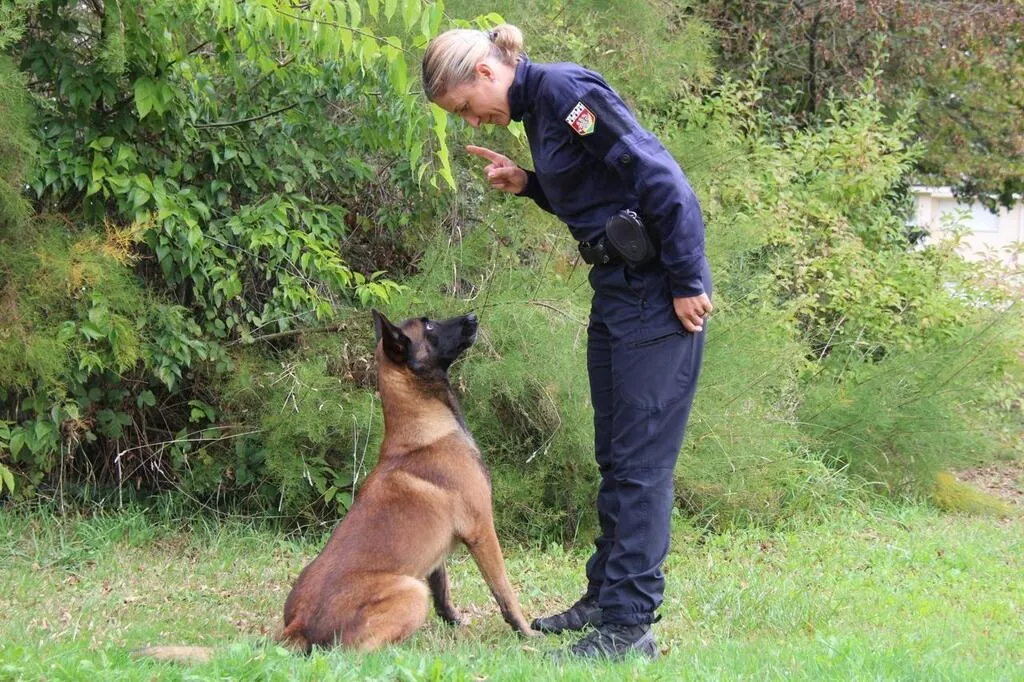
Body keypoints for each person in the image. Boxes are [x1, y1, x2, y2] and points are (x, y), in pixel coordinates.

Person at [421, 24, 713, 661]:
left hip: (657, 293)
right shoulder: (536, 111)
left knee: (641, 464)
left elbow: (662, 180)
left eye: (469, 106)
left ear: (486, 73)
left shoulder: (562, 92)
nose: (477, 120)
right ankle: (605, 598)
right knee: (615, 453)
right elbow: (598, 194)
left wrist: (688, 279)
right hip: (616, 289)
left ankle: (628, 627)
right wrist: (529, 184)